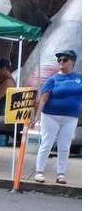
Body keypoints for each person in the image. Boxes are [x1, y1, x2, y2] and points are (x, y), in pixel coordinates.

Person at [33, 49, 81, 184]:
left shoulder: (80, 78)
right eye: (59, 60)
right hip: (51, 116)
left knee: (65, 145)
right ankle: (39, 171)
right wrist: (37, 116)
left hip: (71, 117)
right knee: (47, 142)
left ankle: (61, 174)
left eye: (65, 60)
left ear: (72, 62)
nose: (61, 62)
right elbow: (43, 99)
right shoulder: (53, 79)